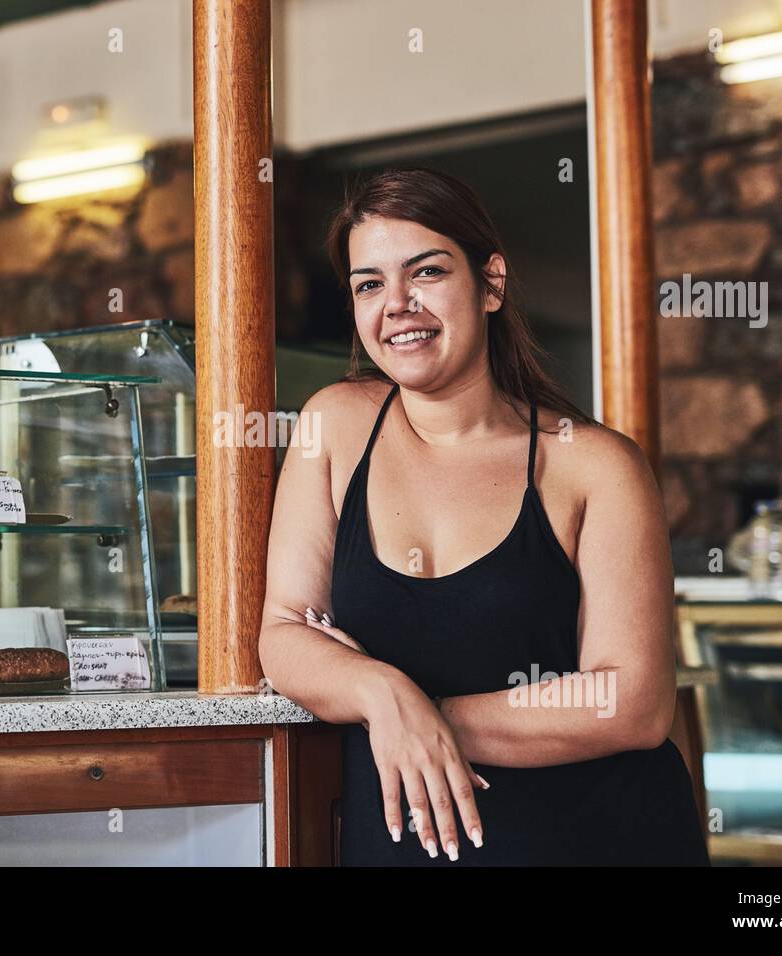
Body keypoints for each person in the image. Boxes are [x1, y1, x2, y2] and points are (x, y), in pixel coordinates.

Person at [258, 167, 710, 866]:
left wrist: (425, 719)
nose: (397, 305)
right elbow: (284, 633)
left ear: (491, 283)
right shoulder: (334, 425)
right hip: (404, 844)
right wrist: (382, 692)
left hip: (595, 840)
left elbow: (632, 702)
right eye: (369, 284)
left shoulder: (592, 464)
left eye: (427, 272)